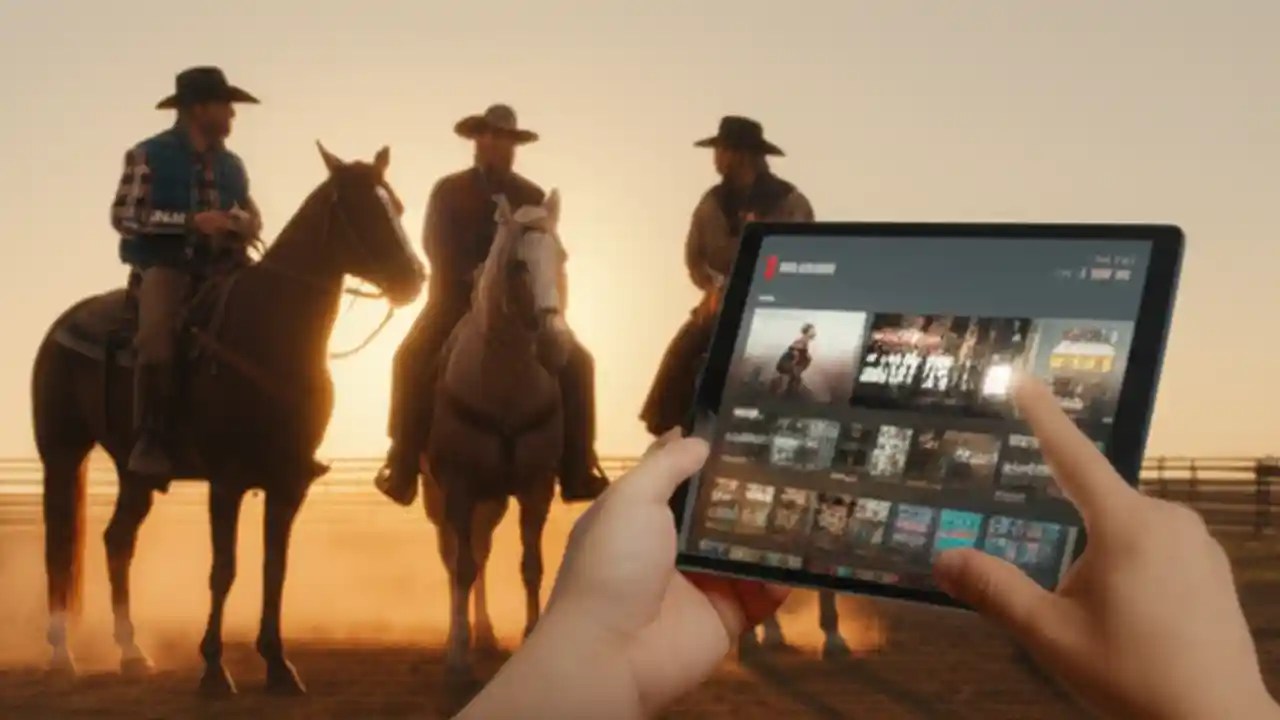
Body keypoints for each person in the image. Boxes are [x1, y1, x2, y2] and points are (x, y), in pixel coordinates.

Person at [455, 375, 1280, 719]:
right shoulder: (470, 191)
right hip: (646, 292)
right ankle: (402, 449)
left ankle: (569, 462)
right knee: (433, 354)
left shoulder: (777, 199)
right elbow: (701, 251)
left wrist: (592, 657)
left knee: (577, 357)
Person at [375, 104, 609, 506]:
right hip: (453, 302)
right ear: (476, 141)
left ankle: (577, 466)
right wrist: (477, 276)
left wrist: (550, 304)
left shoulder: (531, 195)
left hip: (522, 311)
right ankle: (402, 464)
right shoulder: (449, 190)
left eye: (505, 138)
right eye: (489, 136)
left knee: (579, 363)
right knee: (409, 358)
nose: (497, 144)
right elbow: (436, 245)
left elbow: (547, 251)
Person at [110, 66, 264, 479]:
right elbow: (126, 215)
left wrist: (243, 224)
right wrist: (191, 222)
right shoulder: (149, 154)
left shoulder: (233, 166)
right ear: (198, 109)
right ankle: (151, 437)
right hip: (168, 265)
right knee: (157, 337)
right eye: (225, 107)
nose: (232, 117)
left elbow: (251, 215)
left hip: (226, 267)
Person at [640, 115, 815, 436]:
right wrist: (712, 285)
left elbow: (803, 258)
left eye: (722, 151)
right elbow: (694, 257)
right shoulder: (711, 202)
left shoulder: (789, 202)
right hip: (717, 305)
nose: (716, 159)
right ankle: (667, 427)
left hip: (773, 306)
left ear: (741, 155)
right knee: (678, 361)